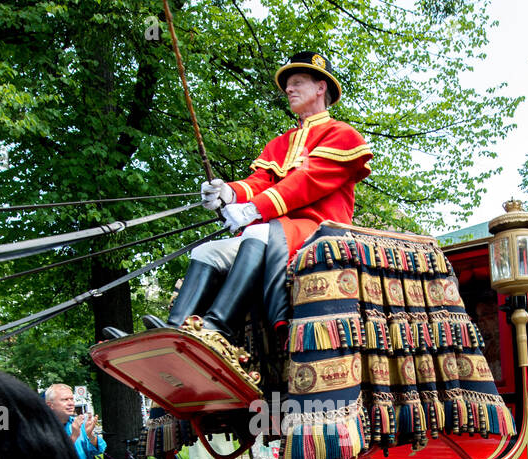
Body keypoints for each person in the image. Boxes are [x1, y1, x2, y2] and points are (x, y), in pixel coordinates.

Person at [159, 52, 373, 346]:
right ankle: (174, 330)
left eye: (297, 82)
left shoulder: (341, 134)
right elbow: (259, 181)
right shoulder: (280, 143)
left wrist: (252, 210)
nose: (289, 89)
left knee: (258, 230)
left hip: (317, 228)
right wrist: (228, 193)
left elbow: (306, 182)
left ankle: (216, 329)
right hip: (274, 232)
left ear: (321, 88)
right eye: (288, 85)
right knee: (206, 251)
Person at [45, 384, 105, 459]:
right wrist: (73, 436)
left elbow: (98, 450)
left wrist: (91, 436)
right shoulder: (42, 429)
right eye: (64, 400)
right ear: (50, 405)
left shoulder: (81, 423)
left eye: (71, 399)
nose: (71, 403)